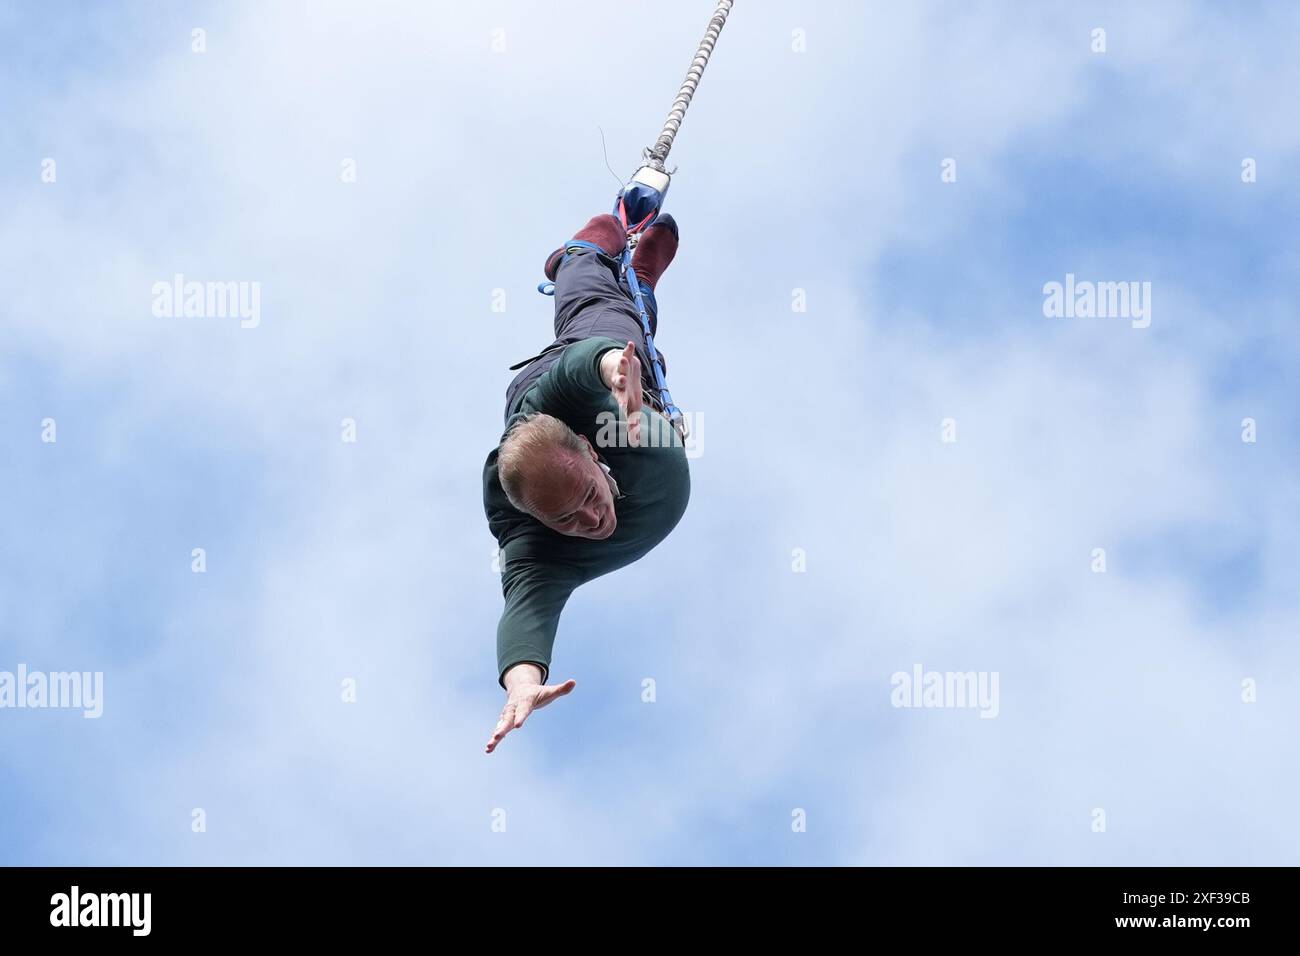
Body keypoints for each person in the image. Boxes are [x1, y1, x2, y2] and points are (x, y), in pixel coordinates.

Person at [481, 211, 690, 753]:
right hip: (636, 405)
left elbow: (577, 363)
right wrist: (522, 683)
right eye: (568, 519)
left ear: (596, 456)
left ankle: (576, 257)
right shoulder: (537, 547)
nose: (592, 520)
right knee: (640, 343)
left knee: (604, 323)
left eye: (589, 498)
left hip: (587, 377)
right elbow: (525, 612)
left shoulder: (562, 406)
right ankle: (640, 286)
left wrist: (610, 371)